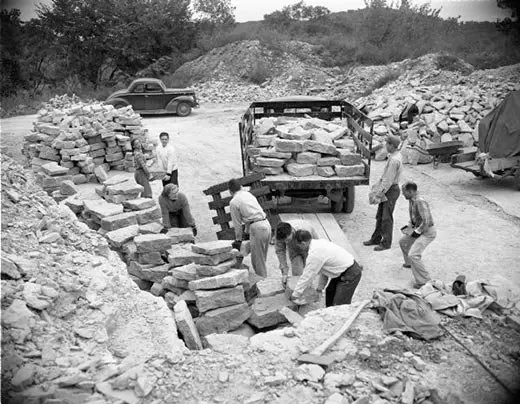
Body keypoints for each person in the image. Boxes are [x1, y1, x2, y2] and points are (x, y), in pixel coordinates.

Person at [290, 230, 362, 307]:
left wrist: (295, 295)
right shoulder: (319, 243)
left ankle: (339, 318)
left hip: (351, 273)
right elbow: (325, 270)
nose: (299, 249)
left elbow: (307, 276)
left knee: (339, 305)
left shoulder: (315, 254)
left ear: (303, 244)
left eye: (298, 246)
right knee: (330, 292)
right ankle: (329, 314)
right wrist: (320, 288)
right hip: (342, 270)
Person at [363, 135, 403, 251]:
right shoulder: (394, 156)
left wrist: (379, 193)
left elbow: (388, 180)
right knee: (380, 215)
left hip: (390, 190)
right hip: (389, 189)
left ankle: (386, 243)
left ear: (391, 145)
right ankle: (376, 238)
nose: (386, 146)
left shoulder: (394, 160)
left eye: (387, 144)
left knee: (386, 218)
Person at [229, 179, 271, 277]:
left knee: (258, 261)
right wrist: (247, 233)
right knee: (262, 258)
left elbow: (237, 224)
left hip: (257, 228)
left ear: (230, 191)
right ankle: (262, 279)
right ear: (241, 187)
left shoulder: (234, 202)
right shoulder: (248, 194)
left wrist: (238, 240)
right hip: (266, 224)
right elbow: (252, 214)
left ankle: (261, 283)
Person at [399, 182, 436, 288]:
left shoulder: (420, 201)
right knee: (403, 242)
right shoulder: (412, 200)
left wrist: (417, 232)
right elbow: (414, 217)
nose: (403, 195)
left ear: (410, 192)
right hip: (418, 228)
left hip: (427, 232)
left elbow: (426, 221)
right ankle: (409, 263)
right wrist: (409, 226)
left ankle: (423, 281)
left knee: (414, 255)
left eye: (404, 192)